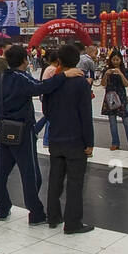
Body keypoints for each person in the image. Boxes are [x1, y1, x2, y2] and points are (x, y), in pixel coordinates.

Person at [0, 43, 47, 223]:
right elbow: (40, 87)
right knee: (30, 174)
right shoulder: (22, 78)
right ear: (24, 60)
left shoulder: (1, 78)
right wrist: (63, 77)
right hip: (23, 130)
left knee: (1, 172)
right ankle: (35, 213)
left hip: (5, 129)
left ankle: (2, 208)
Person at [43, 42, 93, 233]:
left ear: (59, 61)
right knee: (75, 182)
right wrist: (89, 142)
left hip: (56, 137)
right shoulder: (80, 83)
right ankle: (72, 223)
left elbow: (46, 110)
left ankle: (53, 217)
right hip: (75, 140)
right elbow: (85, 115)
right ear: (77, 60)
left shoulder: (53, 82)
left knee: (55, 179)